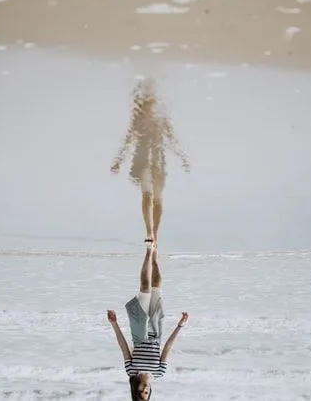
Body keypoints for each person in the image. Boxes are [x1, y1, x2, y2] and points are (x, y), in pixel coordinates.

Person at [110, 78, 190, 245]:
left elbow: (172, 140)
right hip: (142, 162)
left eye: (151, 101)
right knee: (147, 193)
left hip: (159, 162)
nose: (149, 105)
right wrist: (118, 160)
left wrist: (183, 158)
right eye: (146, 102)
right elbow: (128, 139)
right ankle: (149, 231)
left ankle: (156, 232)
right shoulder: (137, 119)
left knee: (158, 200)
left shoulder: (162, 119)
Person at [107, 244, 189, 400]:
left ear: (135, 389)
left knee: (145, 287)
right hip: (156, 332)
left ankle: (148, 251)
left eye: (141, 392)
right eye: (146, 393)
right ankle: (155, 256)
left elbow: (123, 347)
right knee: (157, 283)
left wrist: (114, 324)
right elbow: (167, 347)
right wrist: (180, 326)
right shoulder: (159, 373)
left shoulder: (131, 371)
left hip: (139, 333)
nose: (145, 389)